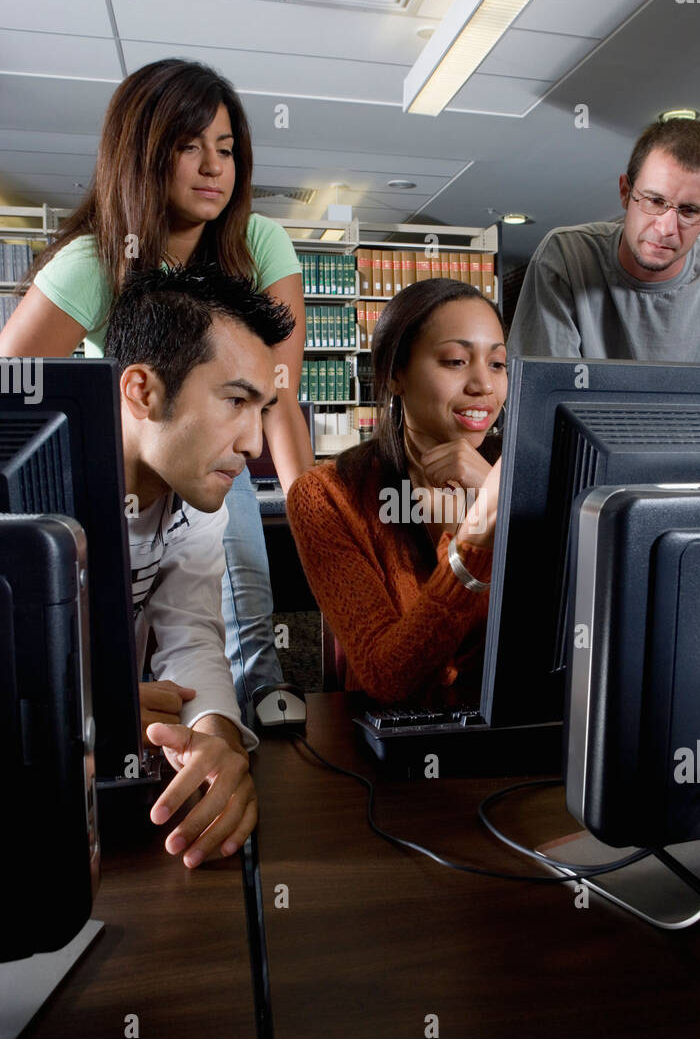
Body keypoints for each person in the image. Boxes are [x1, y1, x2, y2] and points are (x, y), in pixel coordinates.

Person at [0, 57, 313, 721]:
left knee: (234, 594)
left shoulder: (259, 243)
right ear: (142, 155)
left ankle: (245, 708)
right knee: (80, 617)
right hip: (107, 473)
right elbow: (11, 400)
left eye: (226, 149)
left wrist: (311, 512)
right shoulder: (94, 261)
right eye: (188, 146)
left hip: (194, 462)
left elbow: (275, 393)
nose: (212, 167)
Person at [103, 264, 293, 868]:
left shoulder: (191, 495)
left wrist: (213, 739)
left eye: (261, 408)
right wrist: (86, 713)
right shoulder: (31, 486)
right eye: (235, 400)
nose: (255, 444)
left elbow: (190, 631)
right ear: (143, 391)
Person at [287, 278, 507, 705]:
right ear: (394, 375)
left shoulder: (520, 476)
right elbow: (390, 677)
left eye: (497, 364)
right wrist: (479, 530)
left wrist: (507, 499)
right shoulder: (327, 497)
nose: (483, 385)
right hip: (388, 751)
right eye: (456, 361)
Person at [508, 119, 700, 367]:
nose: (666, 228)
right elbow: (543, 407)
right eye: (654, 201)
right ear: (626, 191)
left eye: (689, 211)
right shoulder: (566, 258)